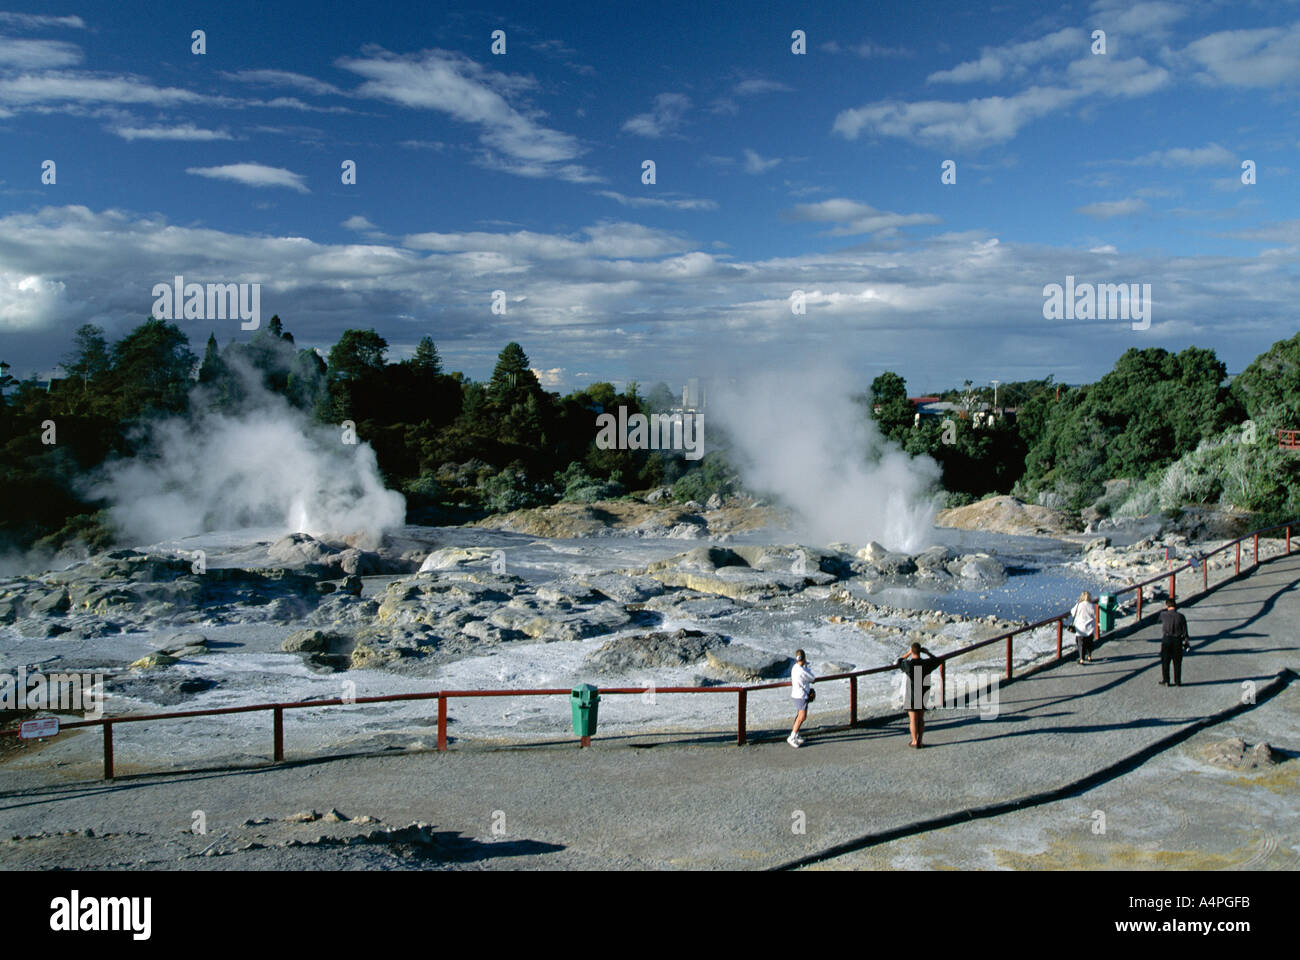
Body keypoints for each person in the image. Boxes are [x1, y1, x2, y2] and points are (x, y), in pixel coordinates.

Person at [896, 642, 942, 748]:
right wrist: (928, 653)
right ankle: (920, 741)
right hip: (923, 692)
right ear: (921, 651)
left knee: (912, 720)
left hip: (911, 693)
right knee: (920, 718)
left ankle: (914, 741)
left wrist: (908, 653)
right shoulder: (926, 663)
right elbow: (938, 661)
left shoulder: (909, 664)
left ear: (912, 651)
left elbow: (899, 661)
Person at [1157, 598, 1191, 686]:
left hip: (1166, 640)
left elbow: (1158, 621)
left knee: (1165, 661)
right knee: (1177, 662)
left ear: (1167, 605)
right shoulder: (1181, 616)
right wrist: (1186, 642)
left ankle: (1166, 680)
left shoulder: (1163, 614)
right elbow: (1185, 631)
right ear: (1175, 606)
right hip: (1177, 640)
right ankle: (1177, 681)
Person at [788, 650, 815, 747]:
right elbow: (812, 678)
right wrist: (807, 668)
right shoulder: (801, 670)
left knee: (799, 715)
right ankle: (792, 736)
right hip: (801, 695)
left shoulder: (795, 668)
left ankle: (796, 734)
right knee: (802, 717)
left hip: (796, 694)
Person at [1069, 590, 1097, 663]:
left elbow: (1072, 612)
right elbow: (1095, 614)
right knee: (1089, 643)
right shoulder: (1093, 605)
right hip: (1090, 627)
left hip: (1080, 628)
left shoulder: (1079, 605)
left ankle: (1081, 659)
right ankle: (1089, 656)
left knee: (1080, 644)